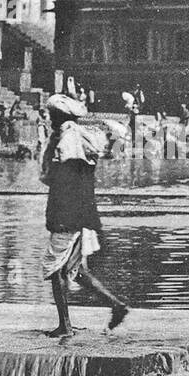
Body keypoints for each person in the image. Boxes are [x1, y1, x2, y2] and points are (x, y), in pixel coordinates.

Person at [40, 94, 129, 337]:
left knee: (55, 268)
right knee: (75, 270)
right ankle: (117, 306)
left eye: (51, 115)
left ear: (59, 116)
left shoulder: (69, 137)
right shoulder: (77, 136)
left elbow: (56, 174)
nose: (48, 119)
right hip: (78, 212)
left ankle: (65, 326)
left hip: (65, 213)